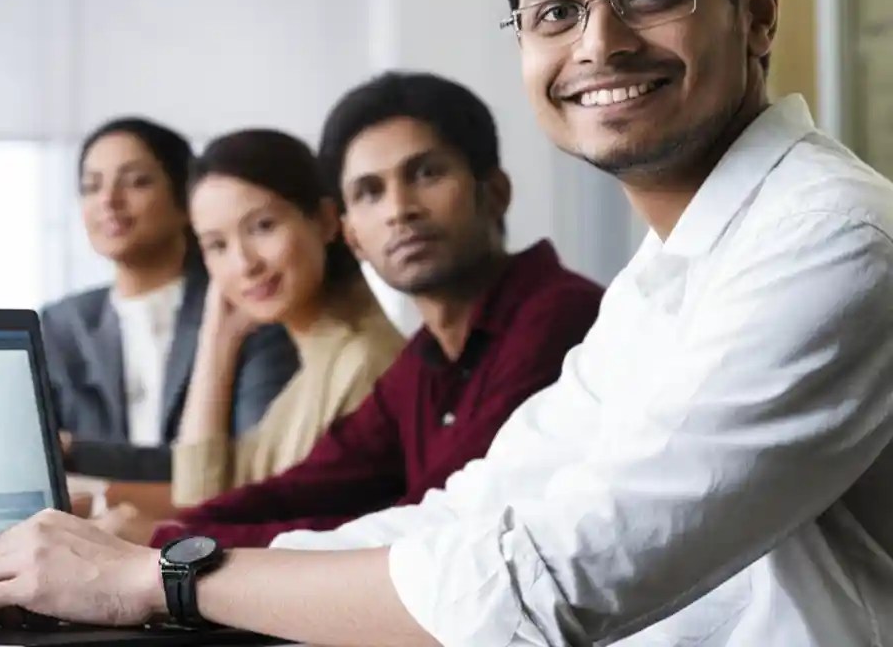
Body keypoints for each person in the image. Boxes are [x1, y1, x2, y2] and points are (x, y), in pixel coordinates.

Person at [0, 0, 893, 644]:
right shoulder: (666, 273)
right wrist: (153, 557)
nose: (599, 44)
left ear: (757, 13)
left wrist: (160, 578)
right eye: (554, 13)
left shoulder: (829, 242)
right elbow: (470, 511)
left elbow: (545, 583)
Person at [94, 73, 602, 548]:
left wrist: (171, 541)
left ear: (494, 193)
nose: (399, 210)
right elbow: (305, 488)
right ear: (353, 232)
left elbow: (429, 529)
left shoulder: (557, 318)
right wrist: (173, 532)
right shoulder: (424, 360)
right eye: (369, 192)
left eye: (426, 174)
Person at [40, 118, 297, 499]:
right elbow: (38, 460)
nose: (108, 200)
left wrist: (81, 453)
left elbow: (246, 466)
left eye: (136, 182)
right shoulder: (60, 325)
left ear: (186, 202)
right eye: (91, 186)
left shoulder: (244, 304)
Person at [168, 129, 405, 507]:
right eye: (217, 245)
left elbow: (207, 518)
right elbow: (202, 506)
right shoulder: (312, 373)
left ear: (326, 220)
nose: (244, 264)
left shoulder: (362, 364)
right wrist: (217, 344)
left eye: (263, 226)